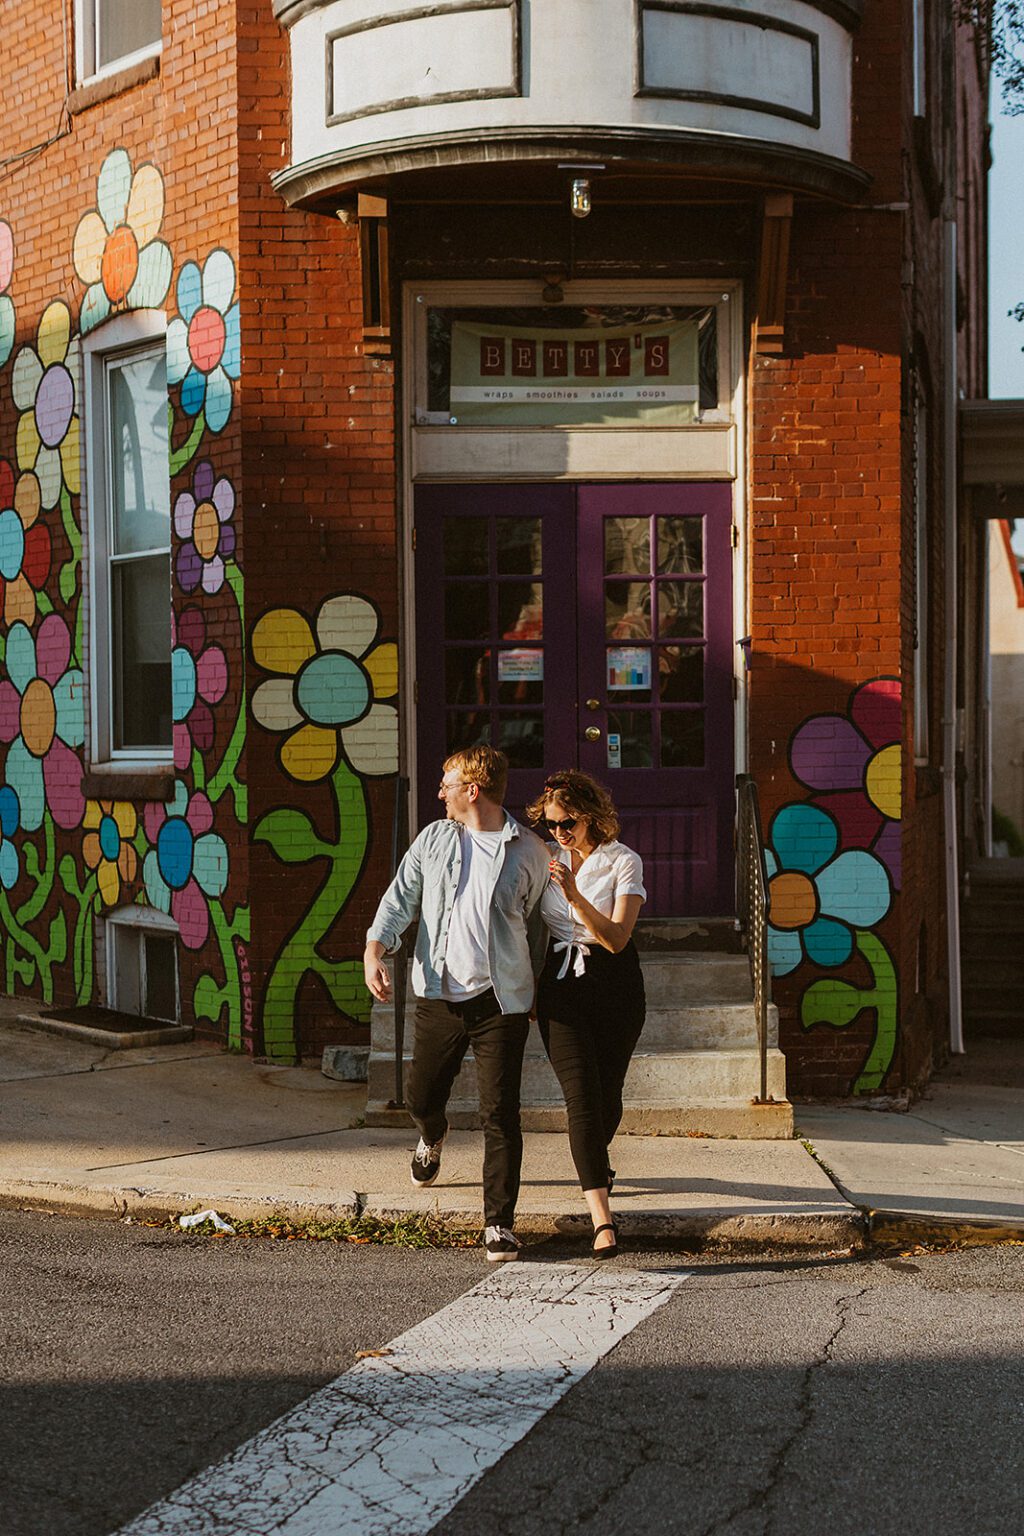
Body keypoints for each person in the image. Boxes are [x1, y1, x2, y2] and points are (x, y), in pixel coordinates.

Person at [364, 746, 551, 1261]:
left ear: (473, 790)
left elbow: (537, 923)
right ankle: (433, 1134)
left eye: (447, 783)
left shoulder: (529, 851)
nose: (439, 791)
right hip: (438, 993)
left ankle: (499, 1223)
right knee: (420, 1094)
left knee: (500, 1112)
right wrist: (374, 949)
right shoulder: (433, 839)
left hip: (500, 1000)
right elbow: (399, 898)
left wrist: (532, 983)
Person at [527, 770, 646, 1258]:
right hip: (560, 982)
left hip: (615, 983)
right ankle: (603, 1220)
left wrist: (575, 895)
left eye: (567, 822)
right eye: (551, 824)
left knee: (607, 1098)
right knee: (581, 1097)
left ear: (592, 817)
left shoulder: (624, 861)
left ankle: (595, 1160)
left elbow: (617, 939)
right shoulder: (545, 860)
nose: (559, 832)